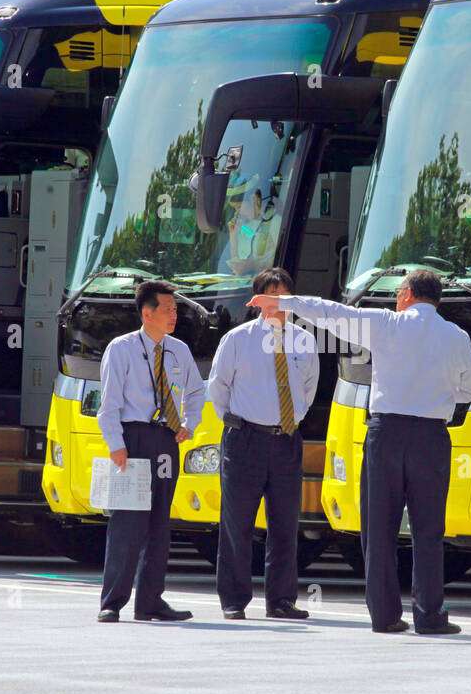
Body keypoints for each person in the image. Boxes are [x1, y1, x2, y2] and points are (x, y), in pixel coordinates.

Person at [248, 269, 471, 635]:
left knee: (379, 527)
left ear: (405, 294)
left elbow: (330, 313)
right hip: (432, 437)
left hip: (386, 434)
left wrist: (283, 303)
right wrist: (443, 403)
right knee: (430, 530)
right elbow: (470, 387)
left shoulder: (386, 323)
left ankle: (385, 616)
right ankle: (430, 615)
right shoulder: (457, 336)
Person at [208, 267, 319, 621]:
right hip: (245, 440)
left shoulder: (304, 340)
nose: (278, 306)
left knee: (285, 526)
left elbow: (308, 388)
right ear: (257, 301)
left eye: (284, 298)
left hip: (286, 441)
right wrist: (239, 424)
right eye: (272, 298)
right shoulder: (237, 339)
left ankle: (281, 600)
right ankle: (234, 600)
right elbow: (218, 389)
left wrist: (291, 420)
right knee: (237, 524)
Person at [95, 280, 205, 623]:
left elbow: (197, 391)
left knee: (159, 523)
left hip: (165, 440)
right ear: (148, 313)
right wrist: (116, 445)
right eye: (168, 309)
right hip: (133, 438)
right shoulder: (122, 348)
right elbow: (109, 403)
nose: (175, 315)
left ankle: (150, 602)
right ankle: (112, 602)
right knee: (128, 522)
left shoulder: (179, 350)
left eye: (175, 309)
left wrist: (191, 422)